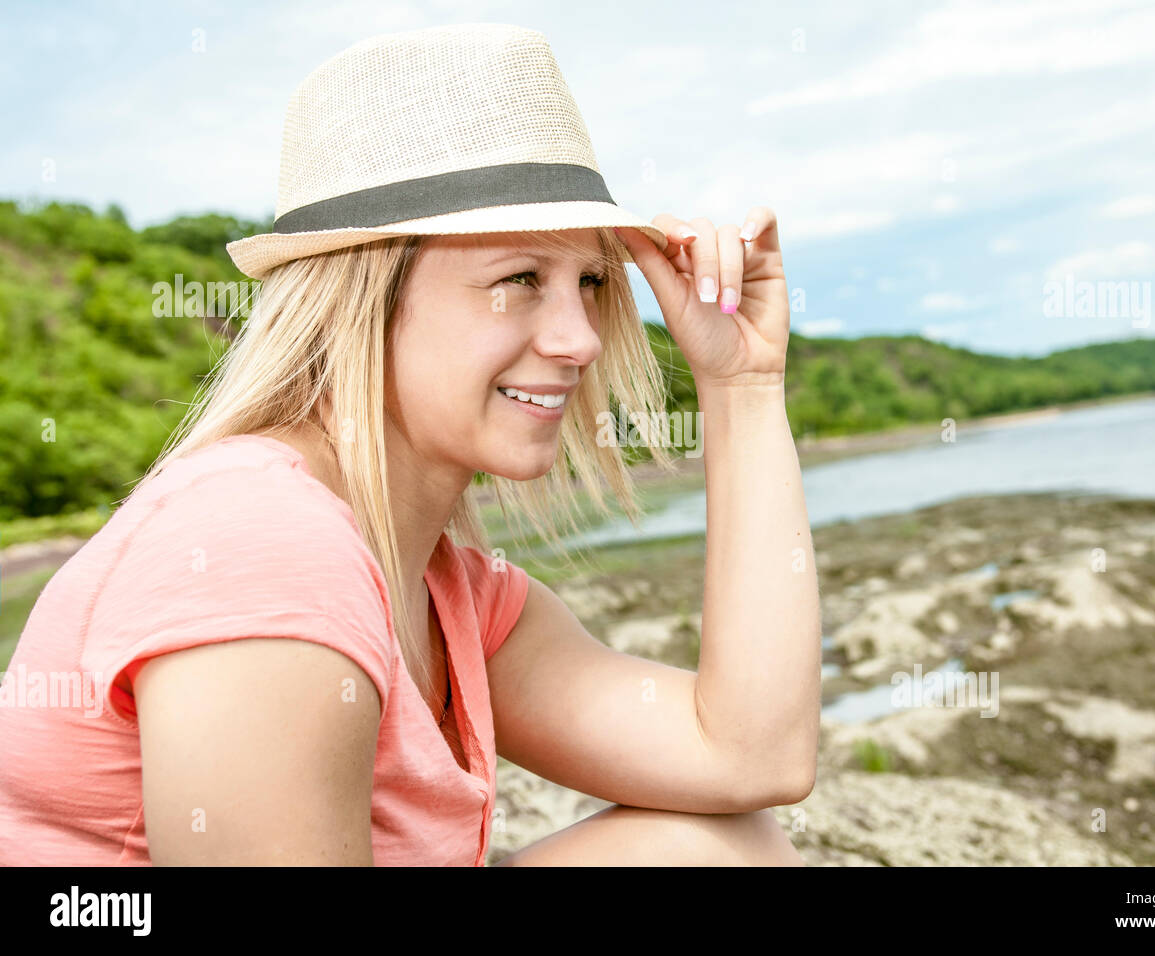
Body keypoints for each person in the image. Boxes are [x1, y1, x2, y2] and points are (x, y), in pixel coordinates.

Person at [0, 23, 820, 866]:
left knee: (714, 848)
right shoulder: (263, 546)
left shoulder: (450, 592)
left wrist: (744, 391)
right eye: (519, 281)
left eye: (592, 282)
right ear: (364, 298)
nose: (581, 339)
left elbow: (749, 754)